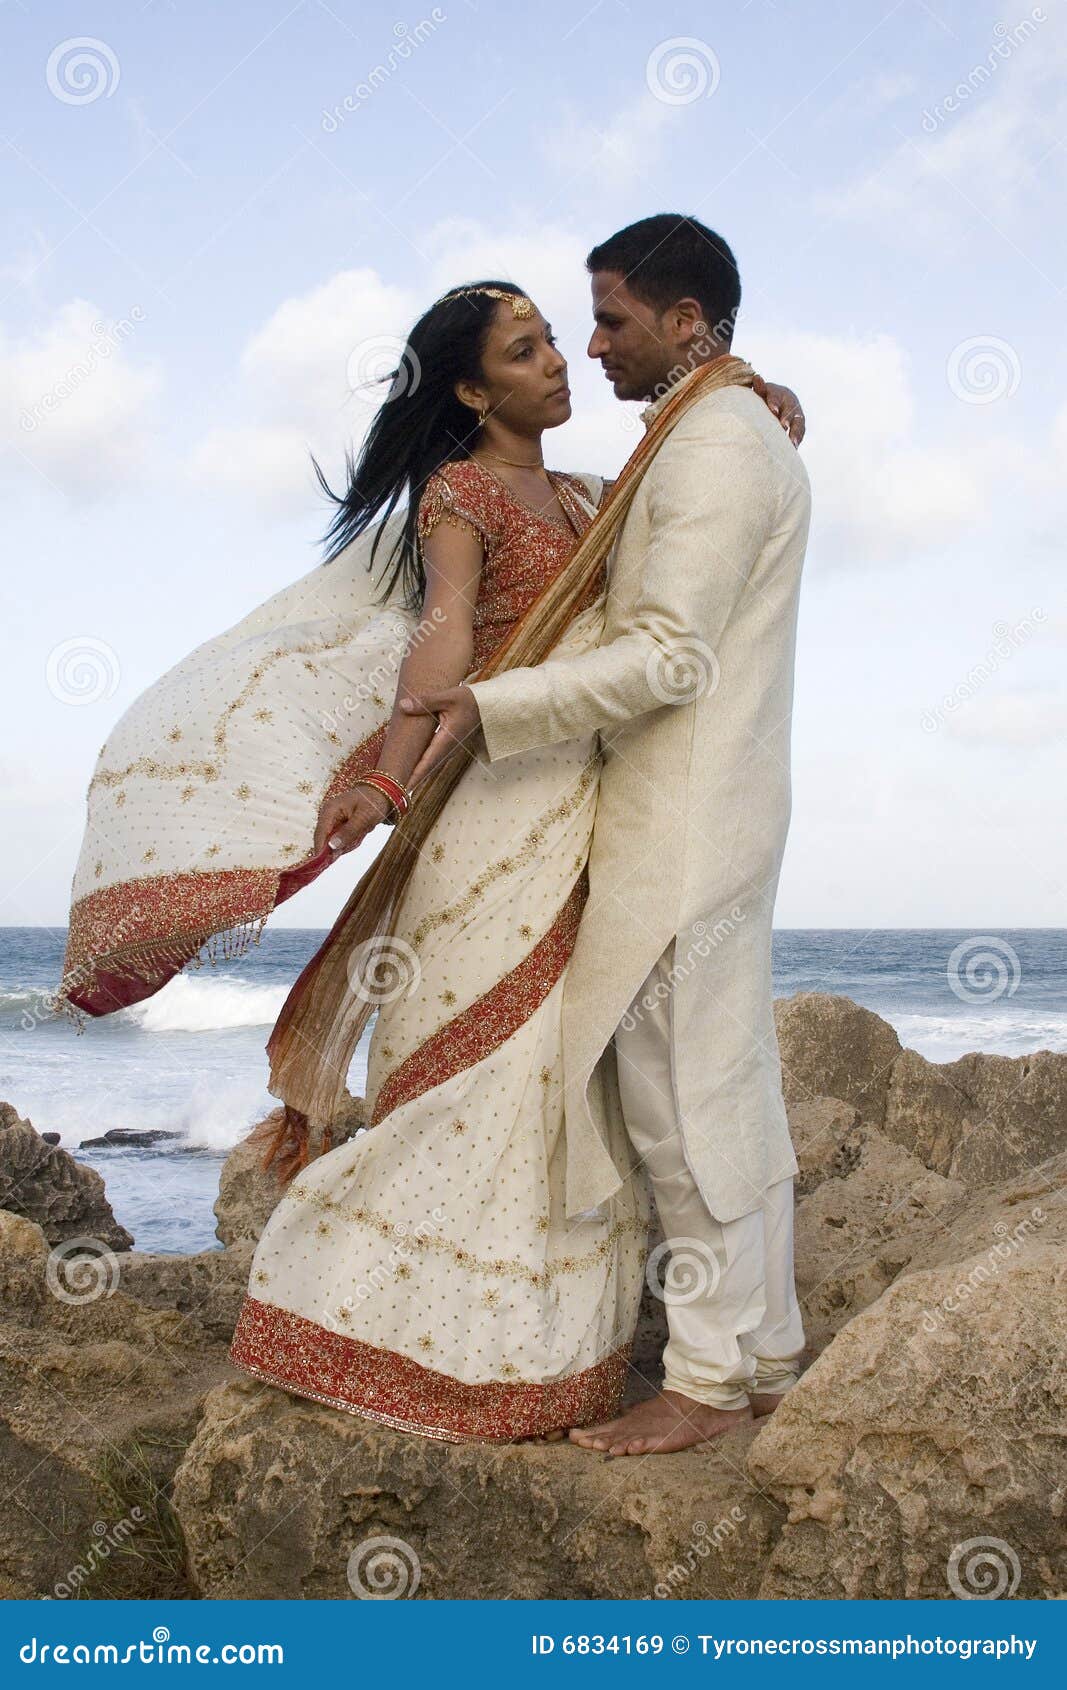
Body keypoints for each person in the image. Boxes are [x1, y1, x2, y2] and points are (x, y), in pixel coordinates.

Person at [226, 267, 806, 1444]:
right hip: (493, 816)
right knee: (469, 1070)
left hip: (590, 820)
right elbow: (439, 653)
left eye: (570, 335)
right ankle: (403, 1331)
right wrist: (388, 778)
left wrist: (754, 395)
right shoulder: (461, 495)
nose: (563, 361)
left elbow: (693, 503)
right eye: (531, 349)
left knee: (559, 1081)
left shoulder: (602, 492)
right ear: (471, 391)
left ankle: (540, 1352)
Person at [396, 215, 812, 1456]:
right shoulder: (710, 430)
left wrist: (491, 704)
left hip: (682, 816)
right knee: (718, 1084)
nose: (591, 346)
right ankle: (766, 1350)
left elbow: (669, 653)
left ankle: (702, 1378)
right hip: (694, 811)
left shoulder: (715, 447)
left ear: (686, 324)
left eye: (613, 319)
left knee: (683, 1102)